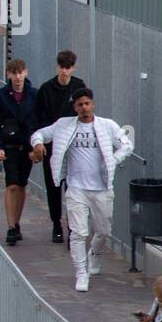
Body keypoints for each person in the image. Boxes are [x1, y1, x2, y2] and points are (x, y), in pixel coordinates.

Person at [29, 89, 133, 293]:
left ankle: (94, 253)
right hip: (76, 187)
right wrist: (38, 143)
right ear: (74, 107)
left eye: (87, 104)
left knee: (103, 230)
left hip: (101, 188)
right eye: (79, 105)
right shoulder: (64, 125)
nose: (84, 108)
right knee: (78, 233)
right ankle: (81, 273)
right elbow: (40, 133)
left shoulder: (107, 126)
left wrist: (113, 159)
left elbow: (126, 145)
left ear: (92, 104)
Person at [32, 50, 86, 243]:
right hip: (53, 143)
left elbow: (84, 112)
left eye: (68, 67)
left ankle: (72, 226)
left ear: (73, 68)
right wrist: (41, 141)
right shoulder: (46, 89)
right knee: (53, 184)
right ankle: (56, 223)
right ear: (57, 67)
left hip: (73, 146)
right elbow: (38, 117)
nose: (64, 71)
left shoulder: (79, 87)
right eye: (62, 67)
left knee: (73, 187)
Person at [0, 59, 38, 246]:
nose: (17, 77)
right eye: (14, 73)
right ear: (8, 74)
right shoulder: (1, 96)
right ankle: (10, 226)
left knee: (22, 184)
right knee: (11, 184)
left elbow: (38, 120)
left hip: (27, 146)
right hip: (9, 146)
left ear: (25, 72)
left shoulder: (33, 94)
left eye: (20, 72)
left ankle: (17, 222)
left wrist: (36, 145)